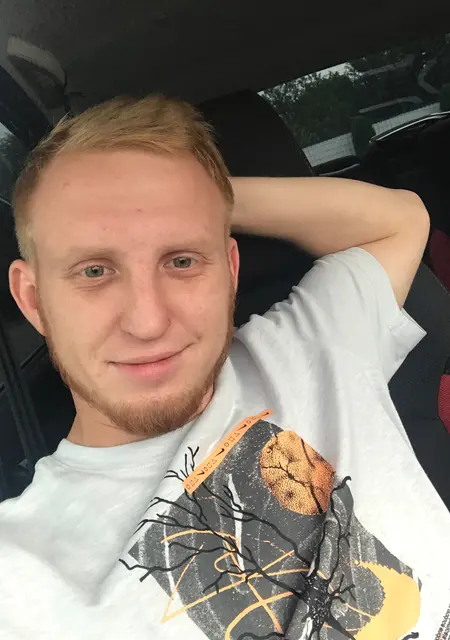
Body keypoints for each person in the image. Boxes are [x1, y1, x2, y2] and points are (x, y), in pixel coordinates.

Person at [1, 95, 449, 640]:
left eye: (182, 260)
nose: (147, 322)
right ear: (33, 300)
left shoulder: (310, 342)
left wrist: (205, 201)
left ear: (230, 272)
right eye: (94, 270)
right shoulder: (20, 577)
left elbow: (401, 221)